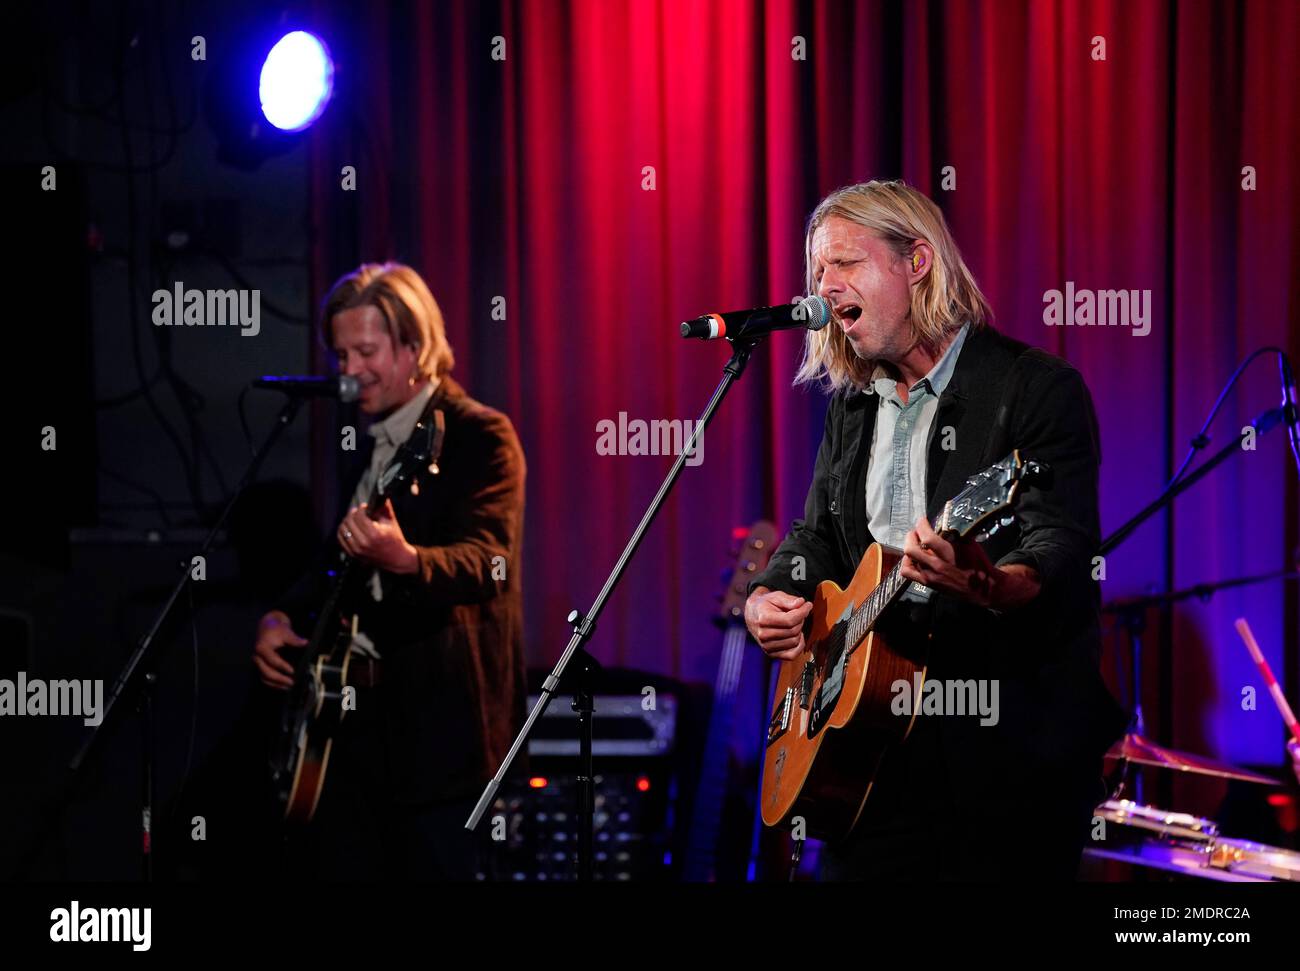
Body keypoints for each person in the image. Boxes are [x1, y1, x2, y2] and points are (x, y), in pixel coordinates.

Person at [744, 180, 1128, 881]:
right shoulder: (853, 408)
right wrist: (768, 596)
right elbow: (816, 538)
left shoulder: (1033, 388)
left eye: (844, 264)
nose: (824, 287)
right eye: (816, 271)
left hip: (1000, 765)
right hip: (870, 758)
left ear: (917, 260)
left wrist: (984, 581)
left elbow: (1060, 547)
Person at [252, 262, 526, 880]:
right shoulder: (375, 443)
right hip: (355, 739)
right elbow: (334, 562)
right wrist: (276, 616)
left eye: (365, 352)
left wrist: (405, 558)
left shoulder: (481, 436)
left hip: (442, 742)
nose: (348, 372)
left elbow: (491, 560)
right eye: (341, 355)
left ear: (415, 346)